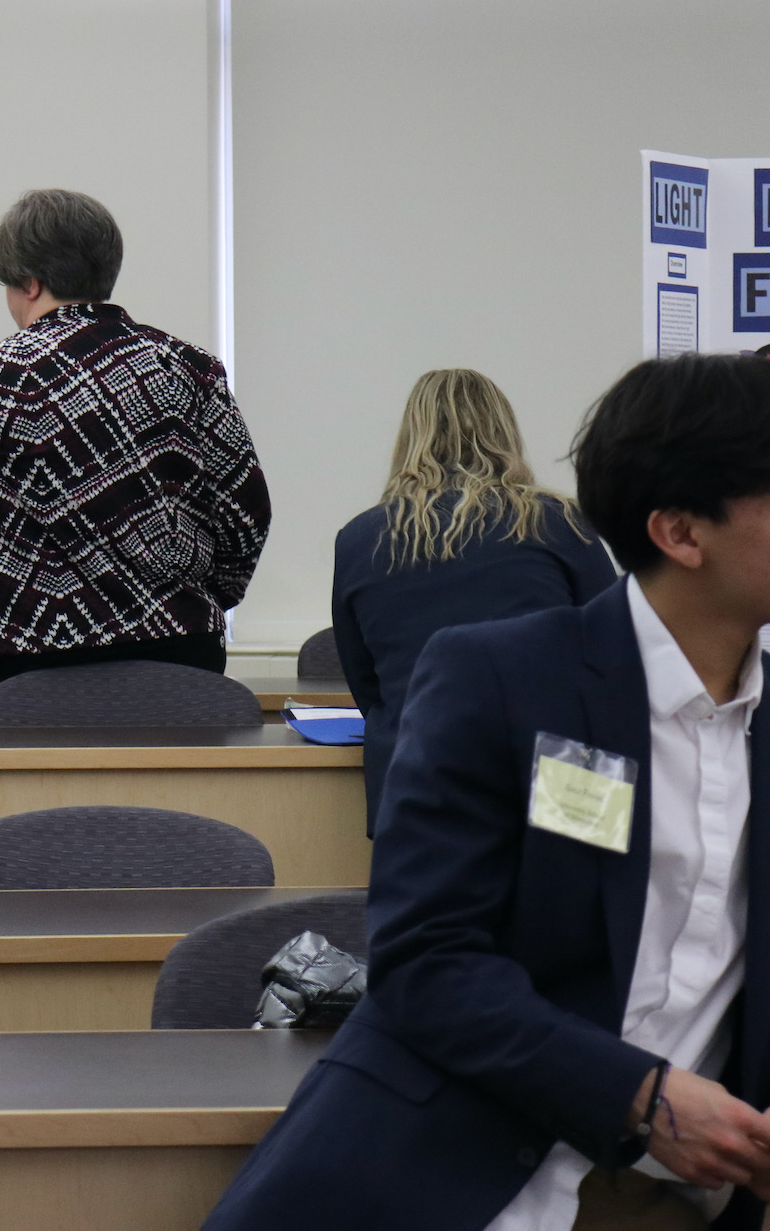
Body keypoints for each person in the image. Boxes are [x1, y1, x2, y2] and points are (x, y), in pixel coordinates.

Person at [206, 352, 770, 1231]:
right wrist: (641, 1096)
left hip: (682, 1197)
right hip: (450, 1172)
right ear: (681, 535)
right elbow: (426, 964)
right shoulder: (504, 678)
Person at [0, 189, 270, 725]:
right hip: (177, 664)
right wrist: (188, 598)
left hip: (23, 673)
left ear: (30, 282)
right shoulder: (192, 368)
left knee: (31, 812)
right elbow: (246, 512)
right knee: (171, 811)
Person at [332, 369, 616, 835]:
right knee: (579, 906)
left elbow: (368, 685)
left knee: (435, 909)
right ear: (504, 431)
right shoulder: (559, 522)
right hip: (561, 773)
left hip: (419, 770)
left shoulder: (362, 538)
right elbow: (615, 648)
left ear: (411, 436)